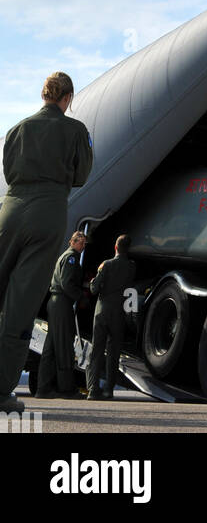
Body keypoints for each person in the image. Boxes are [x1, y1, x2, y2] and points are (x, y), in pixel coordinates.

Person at [0, 73, 93, 413]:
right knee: (20, 306)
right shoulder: (76, 130)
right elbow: (81, 176)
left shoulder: (18, 128)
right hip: (48, 213)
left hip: (10, 209)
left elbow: (9, 171)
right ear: (67, 98)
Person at [37, 232, 87, 398]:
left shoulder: (64, 257)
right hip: (62, 303)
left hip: (56, 302)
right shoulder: (71, 258)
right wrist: (80, 296)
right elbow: (66, 283)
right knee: (65, 345)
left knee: (50, 348)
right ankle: (66, 389)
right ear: (72, 242)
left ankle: (43, 388)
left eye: (84, 243)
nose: (83, 246)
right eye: (81, 242)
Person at [87, 235, 136, 400]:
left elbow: (93, 289)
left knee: (97, 351)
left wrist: (94, 278)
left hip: (102, 312)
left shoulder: (106, 265)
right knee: (114, 353)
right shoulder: (131, 267)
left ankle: (93, 389)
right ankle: (109, 389)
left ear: (115, 247)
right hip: (119, 314)